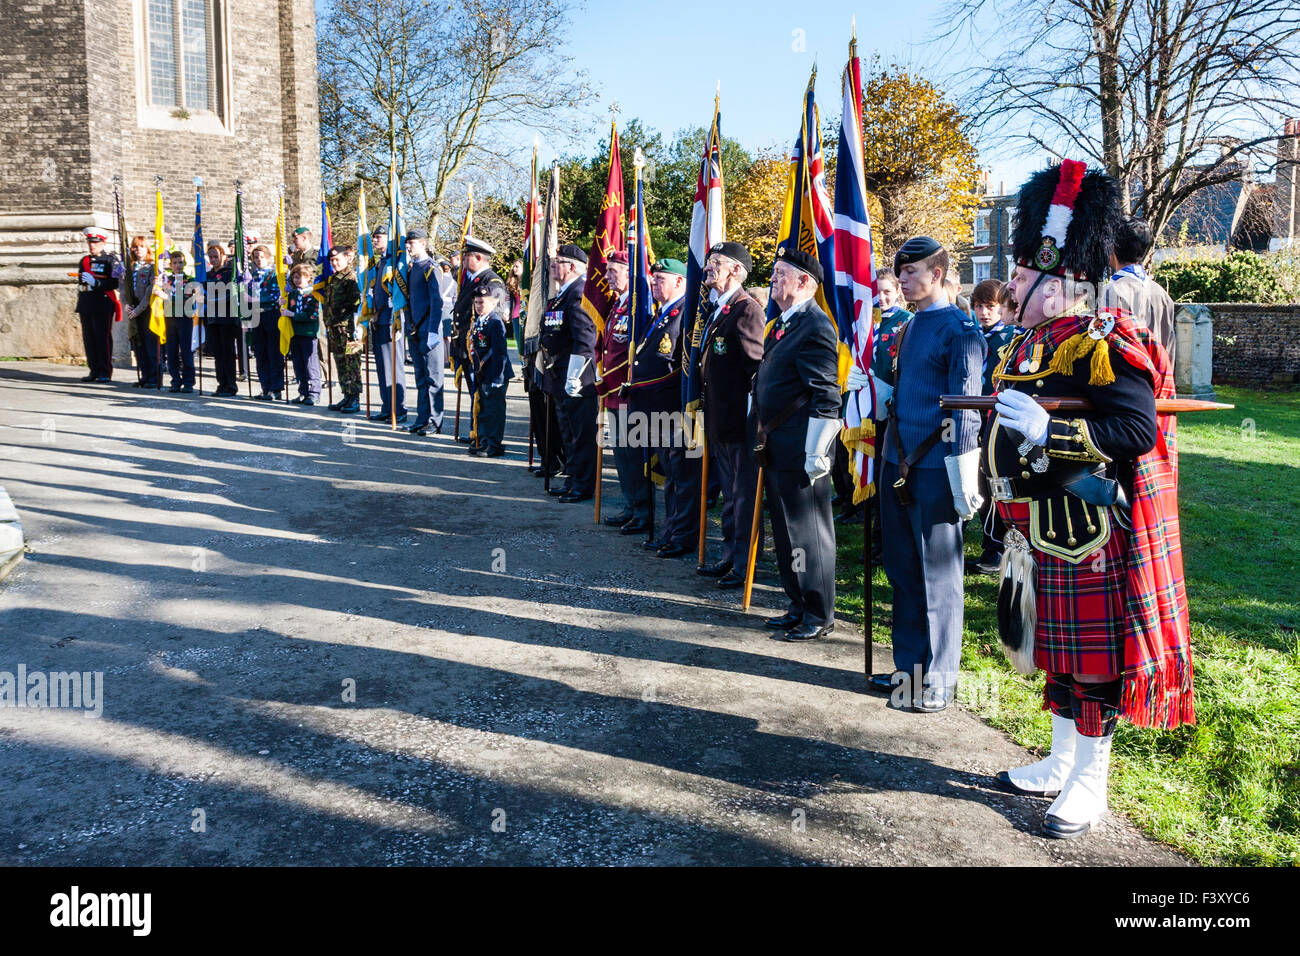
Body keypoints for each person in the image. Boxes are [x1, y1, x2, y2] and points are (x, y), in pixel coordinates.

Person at [987, 159, 1195, 839]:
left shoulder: (1105, 337)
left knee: (1094, 665)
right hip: (1043, 525)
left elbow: (1135, 428)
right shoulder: (1037, 337)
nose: (1013, 284)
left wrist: (1053, 429)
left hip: (1091, 529)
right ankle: (1056, 761)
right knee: (1055, 651)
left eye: (1023, 276)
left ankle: (1090, 784)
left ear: (1060, 280)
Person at [869, 236, 986, 711]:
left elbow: (967, 410)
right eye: (901, 272)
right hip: (898, 463)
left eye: (911, 272)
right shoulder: (913, 325)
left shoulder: (961, 330)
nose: (902, 280)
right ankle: (909, 673)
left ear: (936, 274)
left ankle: (939, 680)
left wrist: (964, 479)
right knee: (903, 571)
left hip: (939, 469)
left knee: (939, 577)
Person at [748, 246, 842, 642]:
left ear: (804, 281)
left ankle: (819, 611)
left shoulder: (816, 326)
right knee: (785, 532)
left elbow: (827, 395)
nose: (772, 279)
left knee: (808, 532)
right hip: (778, 444)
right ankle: (797, 602)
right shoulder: (785, 323)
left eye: (780, 273)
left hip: (802, 448)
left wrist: (816, 451)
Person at [695, 242, 765, 589]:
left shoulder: (747, 310)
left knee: (742, 493)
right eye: (709, 263)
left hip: (739, 420)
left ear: (736, 271)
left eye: (716, 264)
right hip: (719, 419)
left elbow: (756, 367)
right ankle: (728, 555)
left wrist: (753, 417)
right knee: (728, 492)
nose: (709, 269)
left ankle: (744, 561)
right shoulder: (719, 309)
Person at [628, 259, 698, 557]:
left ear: (680, 282)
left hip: (673, 409)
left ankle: (682, 536)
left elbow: (680, 368)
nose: (653, 283)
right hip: (656, 409)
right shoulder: (662, 314)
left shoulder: (684, 314)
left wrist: (641, 387)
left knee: (682, 477)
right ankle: (670, 531)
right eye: (654, 278)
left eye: (660, 279)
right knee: (670, 476)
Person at [594, 251, 648, 531]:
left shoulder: (640, 307)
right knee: (622, 456)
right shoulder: (617, 306)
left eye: (613, 272)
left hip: (628, 394)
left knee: (633, 455)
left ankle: (642, 511)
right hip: (612, 394)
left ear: (630, 273)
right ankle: (631, 506)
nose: (607, 277)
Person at [538, 243, 596, 503]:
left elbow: (585, 340)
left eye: (558, 261)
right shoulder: (561, 294)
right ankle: (573, 478)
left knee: (580, 433)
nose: (552, 264)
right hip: (558, 373)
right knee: (568, 431)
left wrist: (576, 374)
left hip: (576, 376)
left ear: (572, 266)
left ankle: (583, 485)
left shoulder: (579, 293)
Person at [966, 279, 1017, 576]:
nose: (984, 312)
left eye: (991, 306)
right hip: (971, 417)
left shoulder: (1010, 337)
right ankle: (990, 541)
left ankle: (997, 546)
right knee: (978, 482)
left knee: (996, 483)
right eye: (979, 306)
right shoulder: (970, 335)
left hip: (997, 419)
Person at [1102, 216, 1176, 370]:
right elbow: (1169, 350)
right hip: (1157, 386)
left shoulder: (1112, 291)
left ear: (1113, 247)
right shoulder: (1162, 294)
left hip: (1126, 385)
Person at [451, 237, 504, 441]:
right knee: (475, 393)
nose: (463, 260)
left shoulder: (492, 282)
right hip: (468, 345)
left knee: (484, 397)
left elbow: (494, 319)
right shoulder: (471, 280)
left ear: (479, 257)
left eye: (467, 256)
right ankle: (477, 433)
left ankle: (484, 437)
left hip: (482, 351)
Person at [404, 229, 449, 436]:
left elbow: (436, 301)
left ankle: (435, 420)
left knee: (433, 378)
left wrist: (433, 330)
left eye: (412, 243)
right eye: (408, 243)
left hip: (428, 329)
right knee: (420, 377)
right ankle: (422, 418)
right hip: (414, 329)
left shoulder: (431, 268)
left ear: (423, 243)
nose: (408, 246)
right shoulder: (413, 268)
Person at [469, 282, 515, 456]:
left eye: (483, 303)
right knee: (484, 409)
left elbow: (500, 353)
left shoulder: (494, 322)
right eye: (477, 303)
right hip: (483, 373)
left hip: (496, 374)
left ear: (494, 303)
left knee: (494, 411)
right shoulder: (479, 322)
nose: (479, 306)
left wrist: (498, 378)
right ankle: (484, 441)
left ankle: (494, 445)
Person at [367, 225, 407, 423]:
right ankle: (386, 406)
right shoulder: (381, 262)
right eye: (373, 237)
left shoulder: (394, 262)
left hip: (391, 320)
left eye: (379, 237)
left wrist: (397, 321)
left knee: (393, 366)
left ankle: (398, 409)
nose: (375, 240)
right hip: (379, 320)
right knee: (383, 367)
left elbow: (398, 293)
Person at [75, 228, 123, 383]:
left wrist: (97, 283)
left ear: (103, 243)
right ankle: (93, 369)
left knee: (102, 337)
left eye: (95, 243)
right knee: (89, 338)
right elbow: (81, 281)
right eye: (90, 242)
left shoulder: (110, 260)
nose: (92, 246)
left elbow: (115, 282)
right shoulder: (84, 261)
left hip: (102, 303)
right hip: (86, 302)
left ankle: (104, 371)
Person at [321, 246, 362, 413]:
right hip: (335, 327)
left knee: (352, 363)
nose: (334, 262)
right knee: (340, 363)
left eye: (337, 259)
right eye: (332, 260)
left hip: (349, 329)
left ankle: (355, 397)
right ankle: (346, 394)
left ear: (347, 258)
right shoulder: (334, 278)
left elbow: (356, 304)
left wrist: (346, 319)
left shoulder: (351, 278)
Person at [203, 241, 240, 397]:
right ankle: (221, 383)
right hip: (213, 318)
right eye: (210, 257)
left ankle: (231, 385)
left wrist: (211, 299)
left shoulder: (228, 272)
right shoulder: (208, 274)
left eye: (216, 256)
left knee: (227, 352)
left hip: (227, 318)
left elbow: (229, 293)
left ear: (223, 256)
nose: (213, 259)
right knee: (217, 353)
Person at [283, 264, 321, 405]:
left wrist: (293, 314)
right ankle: (302, 391)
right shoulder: (292, 294)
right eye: (295, 277)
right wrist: (282, 303)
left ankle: (314, 392)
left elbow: (313, 315)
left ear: (309, 277)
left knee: (310, 364)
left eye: (301, 277)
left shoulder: (313, 294)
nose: (297, 280)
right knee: (298, 364)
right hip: (294, 333)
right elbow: (287, 308)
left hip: (308, 333)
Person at [125, 237, 159, 388]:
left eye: (141, 247)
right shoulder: (130, 267)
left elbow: (149, 291)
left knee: (150, 344)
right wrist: (126, 304)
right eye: (135, 247)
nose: (138, 250)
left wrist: (138, 310)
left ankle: (153, 377)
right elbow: (123, 287)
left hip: (147, 309)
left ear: (147, 249)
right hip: (134, 308)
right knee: (138, 344)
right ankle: (144, 375)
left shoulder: (151, 267)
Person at [162, 249, 196, 393]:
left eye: (180, 262)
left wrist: (167, 297)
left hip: (184, 317)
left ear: (184, 263)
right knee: (171, 351)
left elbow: (186, 299)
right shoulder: (166, 280)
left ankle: (188, 381)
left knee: (186, 351)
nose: (178, 265)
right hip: (170, 318)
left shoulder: (189, 280)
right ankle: (175, 380)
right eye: (175, 263)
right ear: (171, 264)